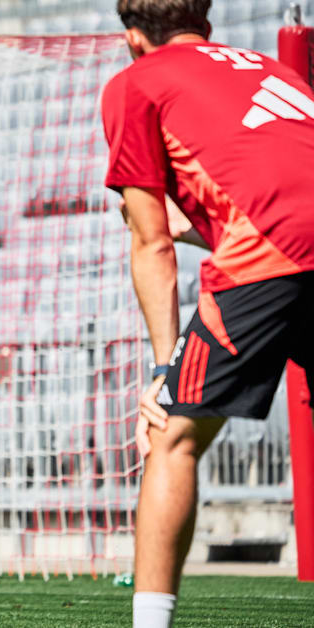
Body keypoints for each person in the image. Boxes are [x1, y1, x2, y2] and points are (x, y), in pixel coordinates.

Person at [102, 1, 314, 626]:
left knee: (171, 435)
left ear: (134, 38)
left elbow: (151, 242)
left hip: (270, 250)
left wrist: (164, 368)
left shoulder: (136, 82)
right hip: (286, 239)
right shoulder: (273, 69)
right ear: (208, 25)